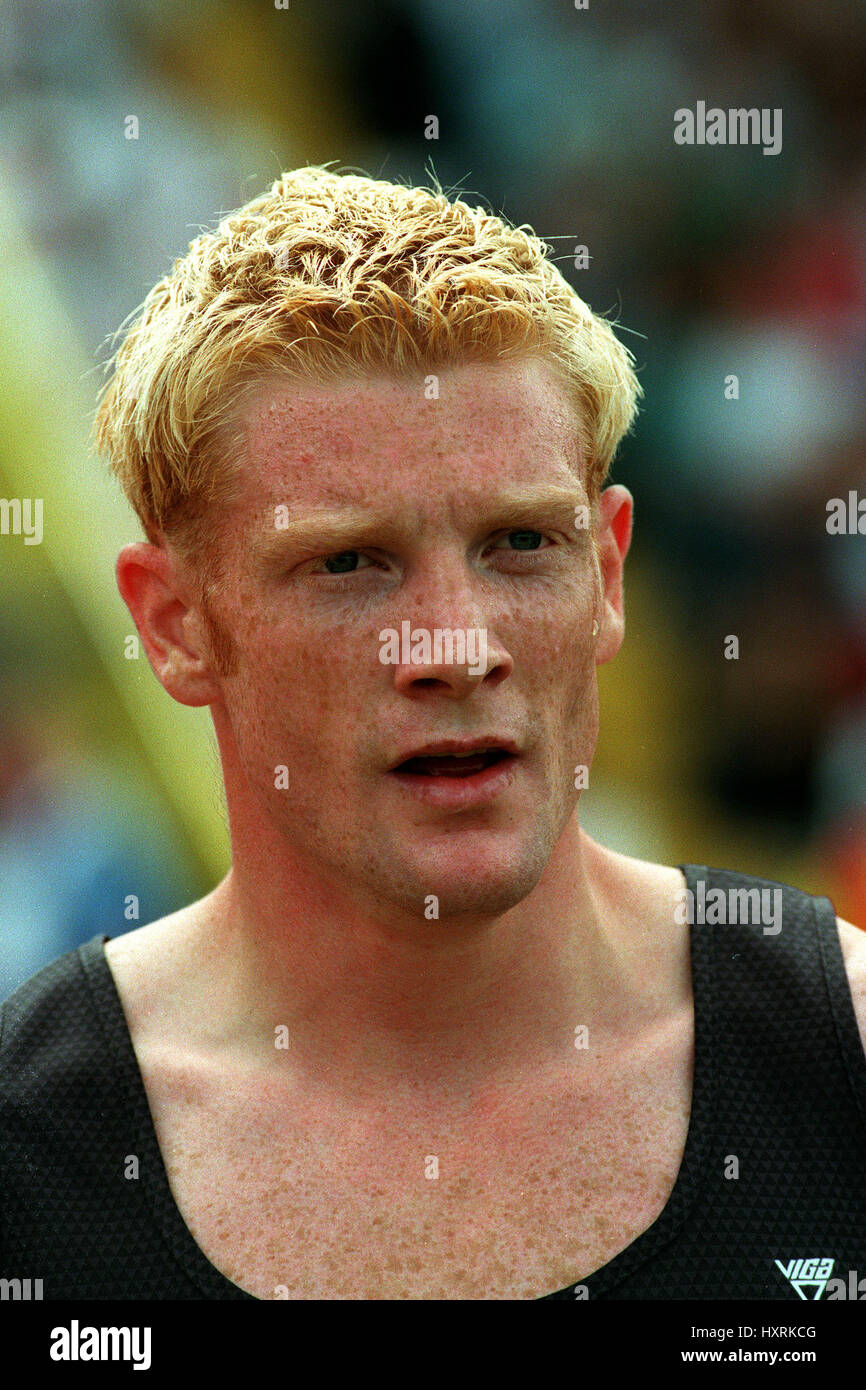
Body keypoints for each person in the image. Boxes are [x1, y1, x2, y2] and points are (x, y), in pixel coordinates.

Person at [2, 167, 864, 1302]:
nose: (456, 647)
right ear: (174, 626)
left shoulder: (840, 1058)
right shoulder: (31, 1147)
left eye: (519, 544)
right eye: (348, 563)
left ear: (607, 572)